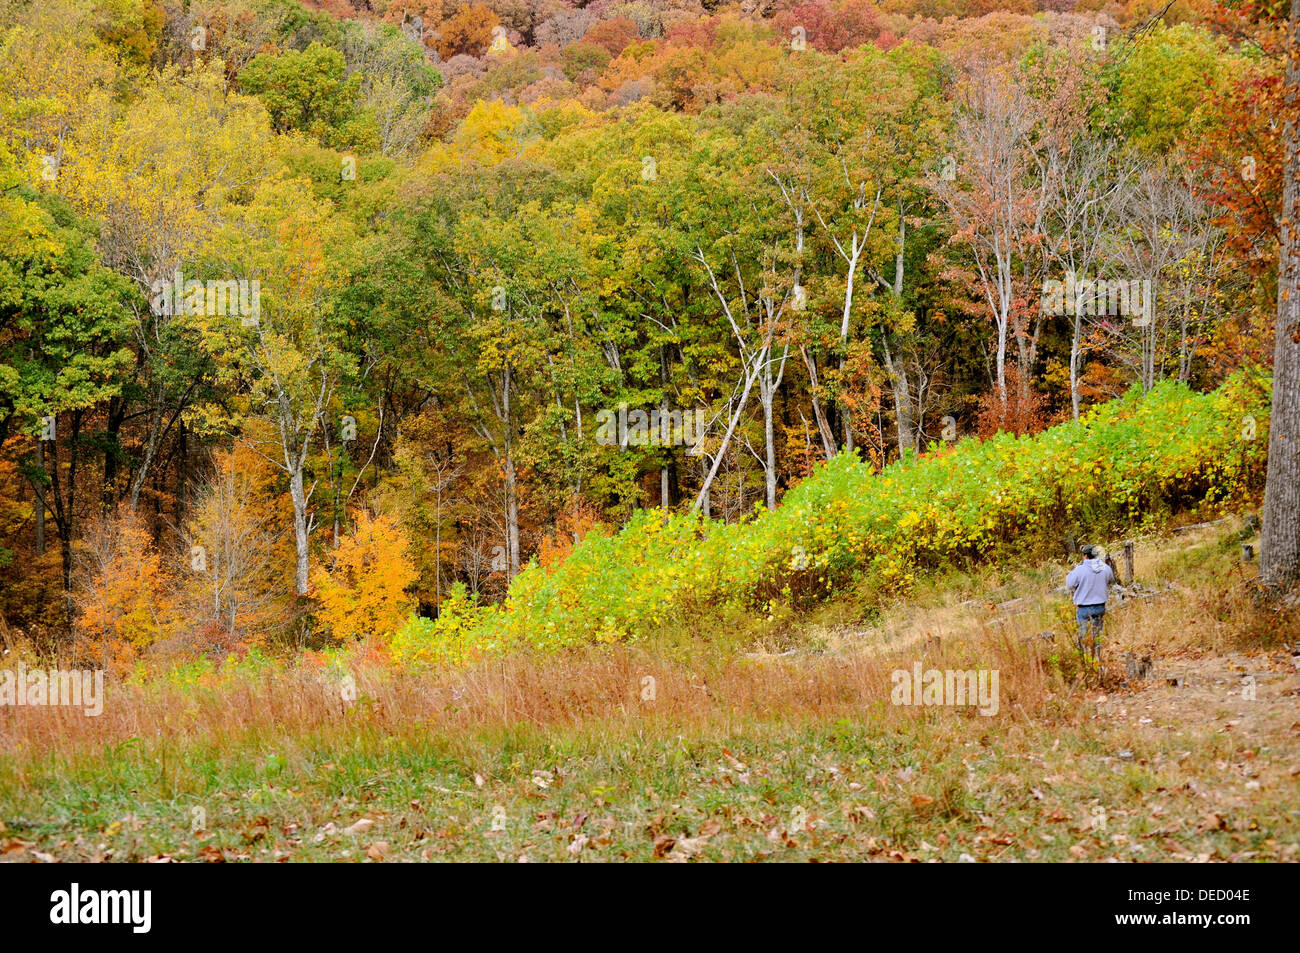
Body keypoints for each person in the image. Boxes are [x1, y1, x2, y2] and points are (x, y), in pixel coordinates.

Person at [1066, 544, 1114, 663]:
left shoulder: (1079, 569)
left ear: (1085, 556)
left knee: (1083, 636)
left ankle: (1085, 661)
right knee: (1097, 634)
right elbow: (1111, 580)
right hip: (1100, 606)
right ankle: (1096, 658)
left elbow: (1069, 584)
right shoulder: (1105, 568)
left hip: (1083, 608)